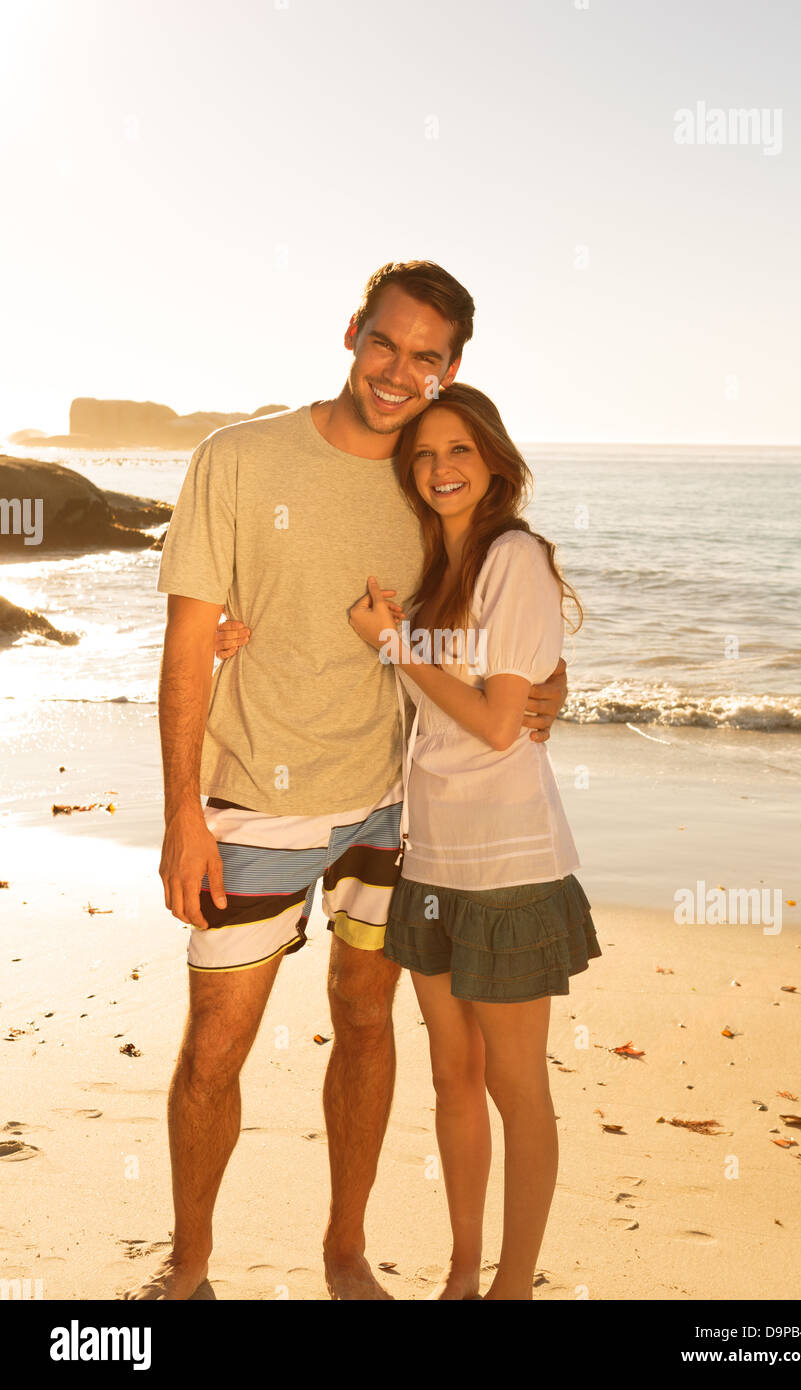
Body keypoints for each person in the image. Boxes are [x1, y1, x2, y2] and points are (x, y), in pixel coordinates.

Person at [123, 262, 568, 1301]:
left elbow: (500, 595)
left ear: (450, 368)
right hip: (253, 802)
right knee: (213, 1049)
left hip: (394, 807)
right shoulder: (234, 458)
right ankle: (188, 1267)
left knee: (365, 1017)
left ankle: (344, 1251)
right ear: (350, 332)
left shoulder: (430, 474)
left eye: (425, 357)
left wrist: (549, 680)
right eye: (384, 342)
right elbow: (189, 645)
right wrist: (181, 813)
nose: (396, 370)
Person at [221, 384, 602, 1300]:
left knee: (517, 1086)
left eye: (460, 450)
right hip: (426, 857)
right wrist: (239, 638)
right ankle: (462, 1276)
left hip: (508, 864)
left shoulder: (515, 557)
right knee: (453, 1074)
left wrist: (396, 645)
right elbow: (444, 700)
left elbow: (500, 725)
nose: (440, 469)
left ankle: (512, 1286)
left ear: (496, 462)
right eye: (425, 456)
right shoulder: (437, 570)